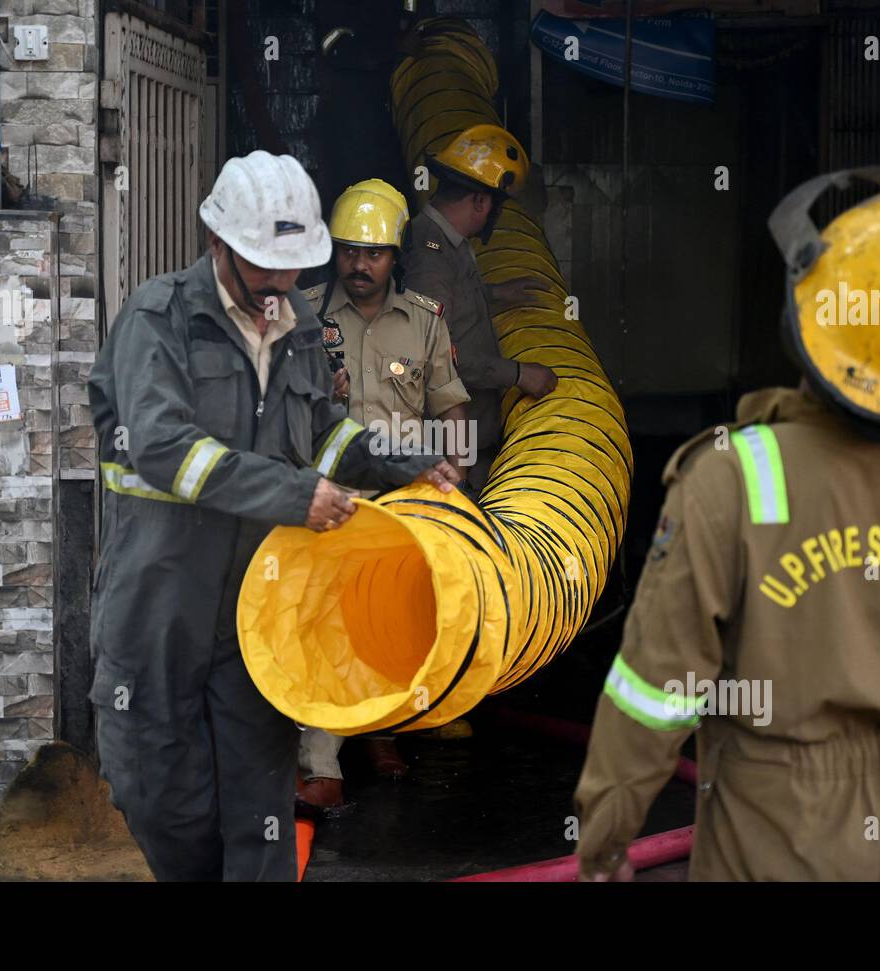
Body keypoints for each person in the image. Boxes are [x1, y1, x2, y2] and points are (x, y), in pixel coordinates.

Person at [574, 168, 880, 882]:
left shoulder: (729, 479)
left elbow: (654, 691)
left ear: (805, 317)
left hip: (772, 844)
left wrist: (604, 846)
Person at [86, 150, 459, 881]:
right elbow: (162, 449)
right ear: (219, 245)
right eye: (268, 264)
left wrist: (398, 459)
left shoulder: (296, 327)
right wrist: (294, 496)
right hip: (160, 608)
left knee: (259, 815)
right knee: (164, 800)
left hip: (260, 612)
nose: (284, 281)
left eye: (293, 264)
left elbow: (325, 431)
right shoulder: (158, 321)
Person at [295, 178, 472, 811]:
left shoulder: (423, 322)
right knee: (327, 625)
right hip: (333, 501)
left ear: (395, 255)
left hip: (404, 507)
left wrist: (457, 480)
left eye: (372, 253)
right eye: (347, 251)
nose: (358, 265)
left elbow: (450, 405)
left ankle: (382, 731)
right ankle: (322, 763)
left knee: (394, 622)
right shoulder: (306, 316)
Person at [404, 123, 558, 490]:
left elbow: (450, 308)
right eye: (498, 206)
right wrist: (520, 374)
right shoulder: (431, 256)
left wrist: (497, 294)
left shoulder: (447, 243)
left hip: (471, 440)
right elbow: (437, 358)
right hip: (450, 456)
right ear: (480, 202)